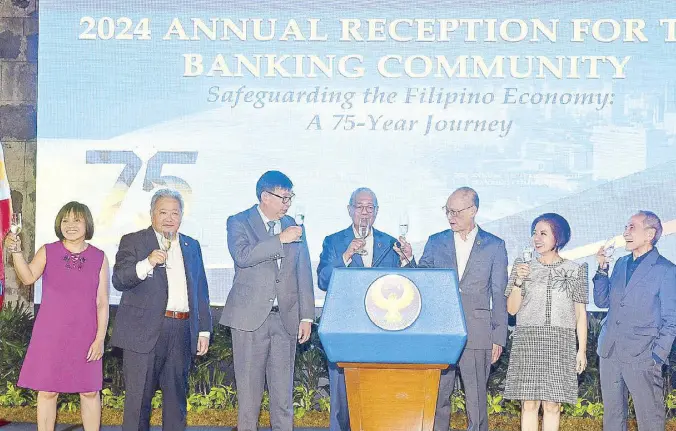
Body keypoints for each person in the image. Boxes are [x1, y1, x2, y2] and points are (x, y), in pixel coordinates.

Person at [220, 171, 315, 431]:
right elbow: (243, 255)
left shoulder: (293, 224)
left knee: (283, 398)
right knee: (249, 400)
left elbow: (302, 270)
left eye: (290, 197)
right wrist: (279, 240)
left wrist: (307, 316)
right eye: (283, 197)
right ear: (265, 196)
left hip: (286, 319)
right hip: (249, 320)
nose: (288, 203)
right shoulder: (239, 221)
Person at [111, 189, 212, 431]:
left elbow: (200, 289)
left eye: (174, 213)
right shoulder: (134, 241)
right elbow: (119, 279)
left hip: (181, 329)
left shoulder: (191, 245)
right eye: (163, 212)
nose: (169, 218)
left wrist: (204, 331)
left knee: (176, 403)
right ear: (152, 214)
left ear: (181, 216)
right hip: (143, 332)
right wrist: (147, 263)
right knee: (138, 404)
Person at [4, 202, 109, 431]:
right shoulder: (48, 250)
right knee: (48, 391)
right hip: (50, 334)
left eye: (76, 220)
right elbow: (28, 277)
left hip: (86, 334)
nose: (70, 225)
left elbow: (102, 302)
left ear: (87, 224)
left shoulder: (99, 257)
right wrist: (16, 253)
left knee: (90, 391)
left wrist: (100, 338)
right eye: (65, 220)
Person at [317, 187, 413, 431]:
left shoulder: (390, 243)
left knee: (379, 392)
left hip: (382, 328)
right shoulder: (334, 241)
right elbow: (323, 280)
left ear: (377, 212)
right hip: (345, 328)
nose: (364, 212)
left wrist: (407, 261)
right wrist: (346, 255)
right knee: (341, 395)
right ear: (350, 210)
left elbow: (408, 285)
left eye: (370, 207)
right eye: (359, 206)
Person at [416, 187, 508, 431]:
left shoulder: (495, 246)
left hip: (478, 333)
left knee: (476, 401)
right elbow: (423, 281)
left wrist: (498, 337)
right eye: (447, 211)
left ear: (473, 211)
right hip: (441, 331)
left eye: (456, 211)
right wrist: (408, 260)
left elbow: (499, 294)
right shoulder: (436, 242)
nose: (450, 216)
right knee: (437, 397)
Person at [504, 213, 588, 431]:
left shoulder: (575, 270)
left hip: (561, 341)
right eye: (534, 233)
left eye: (543, 233)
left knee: (553, 405)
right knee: (529, 404)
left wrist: (582, 351)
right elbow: (511, 309)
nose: (536, 238)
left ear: (557, 238)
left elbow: (580, 315)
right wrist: (519, 281)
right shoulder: (522, 267)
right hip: (528, 340)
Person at [593, 211, 676, 431]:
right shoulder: (620, 263)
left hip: (644, 356)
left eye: (632, 227)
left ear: (650, 234)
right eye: (626, 227)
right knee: (612, 418)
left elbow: (672, 320)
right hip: (610, 351)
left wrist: (657, 355)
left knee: (650, 421)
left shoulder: (666, 270)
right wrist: (602, 268)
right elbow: (601, 302)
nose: (625, 232)